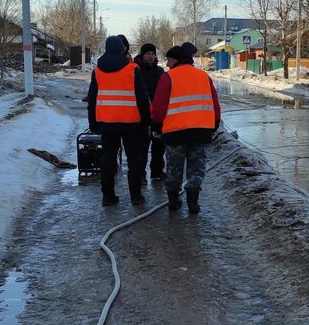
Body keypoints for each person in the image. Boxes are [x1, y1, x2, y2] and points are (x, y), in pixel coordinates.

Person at [151, 41, 220, 214]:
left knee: (174, 167)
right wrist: (214, 124)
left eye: (168, 60)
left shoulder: (168, 77)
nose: (166, 64)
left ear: (175, 60)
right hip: (201, 132)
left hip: (175, 133)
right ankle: (193, 203)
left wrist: (157, 127)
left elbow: (159, 107)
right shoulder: (204, 76)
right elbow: (215, 104)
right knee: (196, 168)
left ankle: (173, 201)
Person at [87, 35, 151, 207]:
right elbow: (142, 98)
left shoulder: (97, 72)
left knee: (107, 159)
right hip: (131, 123)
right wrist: (146, 121)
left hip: (106, 124)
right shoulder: (132, 69)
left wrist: (93, 123)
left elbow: (92, 99)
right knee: (134, 160)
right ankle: (136, 196)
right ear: (123, 50)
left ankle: (108, 197)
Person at [134, 43, 166, 183]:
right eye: (148, 54)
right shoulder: (136, 70)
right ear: (142, 55)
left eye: (153, 54)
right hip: (141, 114)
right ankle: (140, 174)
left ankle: (157, 171)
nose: (151, 56)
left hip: (158, 114)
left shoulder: (160, 71)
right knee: (141, 146)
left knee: (159, 145)